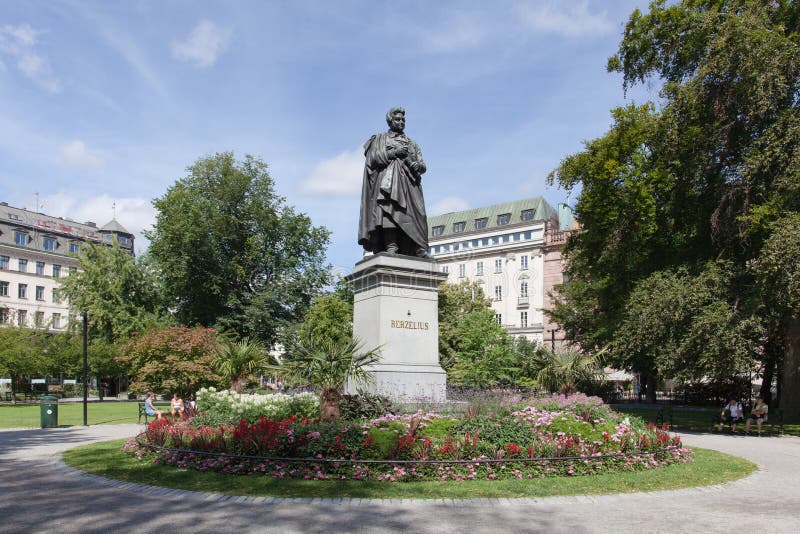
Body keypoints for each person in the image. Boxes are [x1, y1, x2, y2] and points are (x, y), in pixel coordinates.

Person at [358, 107, 430, 258]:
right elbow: (372, 159)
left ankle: (419, 248)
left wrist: (418, 166)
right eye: (398, 119)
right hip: (388, 182)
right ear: (390, 121)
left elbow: (423, 166)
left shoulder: (412, 144)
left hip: (410, 184)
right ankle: (391, 246)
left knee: (417, 214)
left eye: (403, 119)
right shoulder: (380, 139)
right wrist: (394, 153)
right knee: (388, 213)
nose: (401, 122)